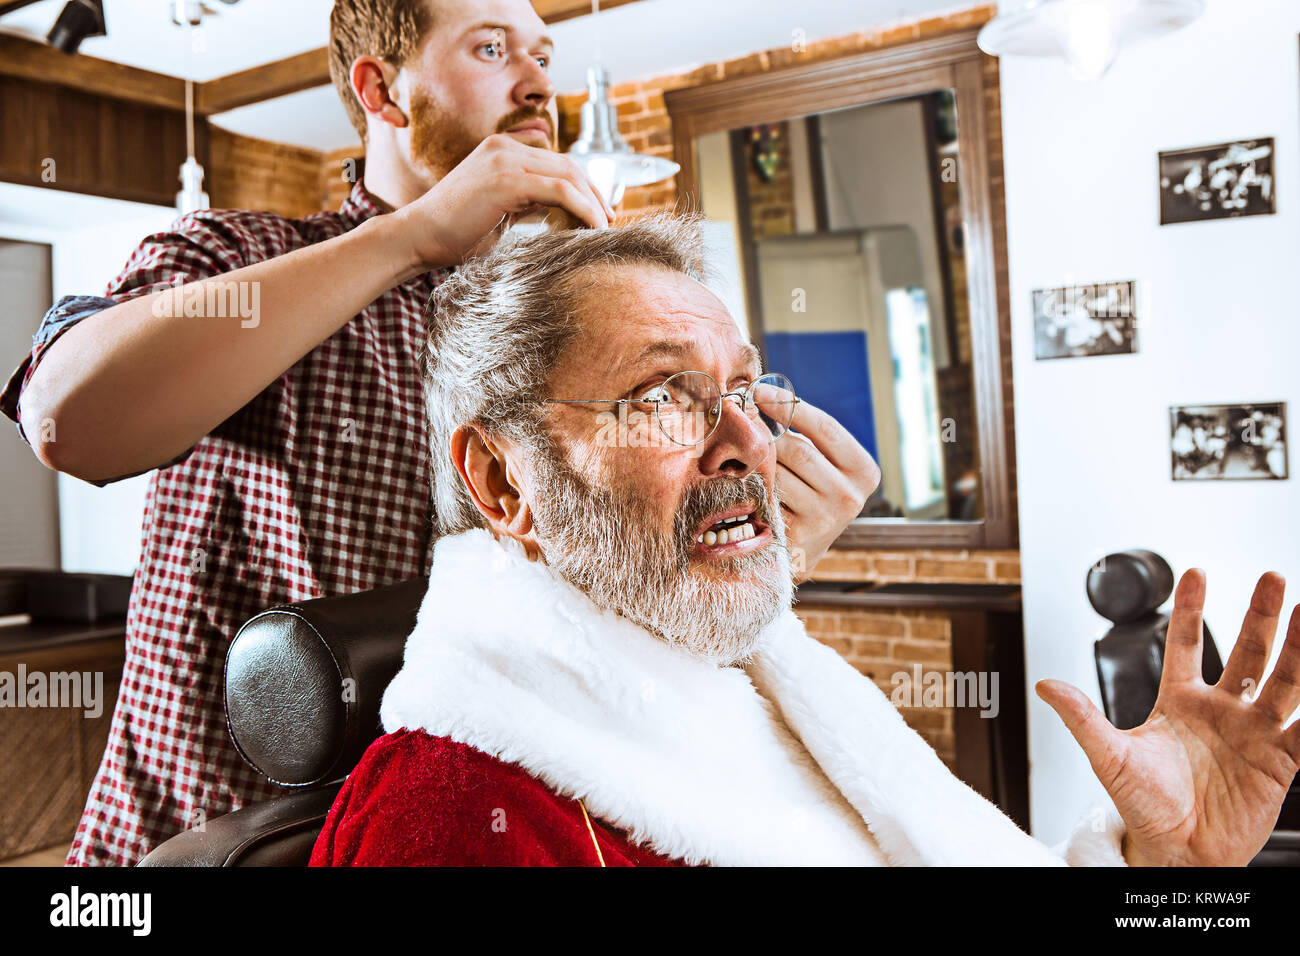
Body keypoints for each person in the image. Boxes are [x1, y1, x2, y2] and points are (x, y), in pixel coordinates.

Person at [1, 0, 877, 866]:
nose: (538, 80)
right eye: (492, 47)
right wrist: (412, 237)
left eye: (542, 53)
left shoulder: (548, 344)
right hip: (205, 839)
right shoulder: (240, 257)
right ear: (383, 91)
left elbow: (594, 622)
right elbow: (69, 421)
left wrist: (744, 558)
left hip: (449, 831)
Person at [310, 214, 1300, 867]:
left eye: (742, 388)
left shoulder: (768, 689)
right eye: (662, 396)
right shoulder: (446, 820)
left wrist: (1168, 868)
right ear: (502, 480)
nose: (748, 439)